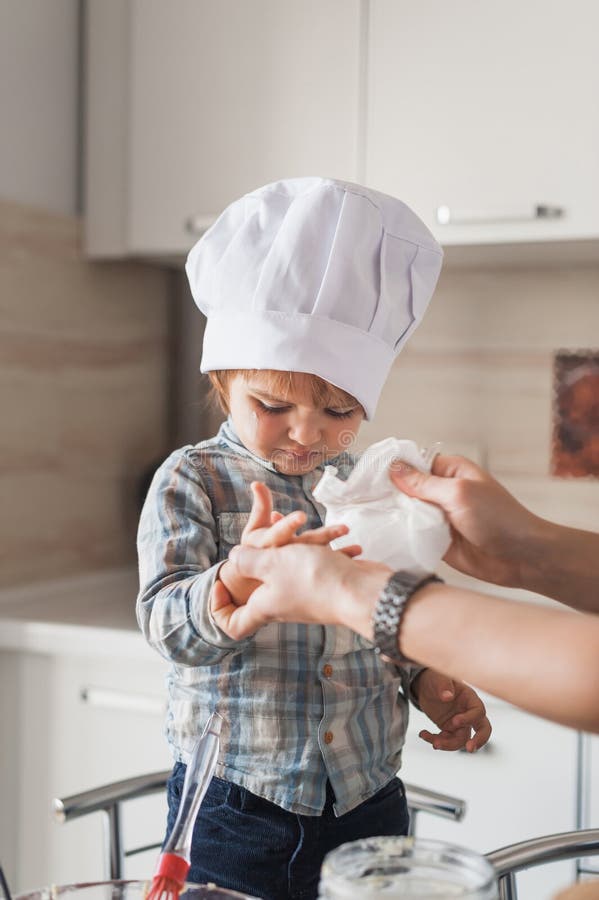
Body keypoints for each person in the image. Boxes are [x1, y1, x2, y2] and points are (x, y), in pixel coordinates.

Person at [136, 177, 491, 900]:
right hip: (234, 807)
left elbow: (389, 615)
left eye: (337, 410)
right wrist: (234, 583)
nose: (307, 433)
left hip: (367, 799)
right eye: (272, 405)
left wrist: (426, 677)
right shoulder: (192, 480)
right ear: (222, 380)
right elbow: (167, 626)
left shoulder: (370, 485)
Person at [217, 453, 599, 735]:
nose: (306, 431)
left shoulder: (352, 476)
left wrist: (358, 597)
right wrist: (523, 551)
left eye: (339, 410)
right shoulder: (202, 474)